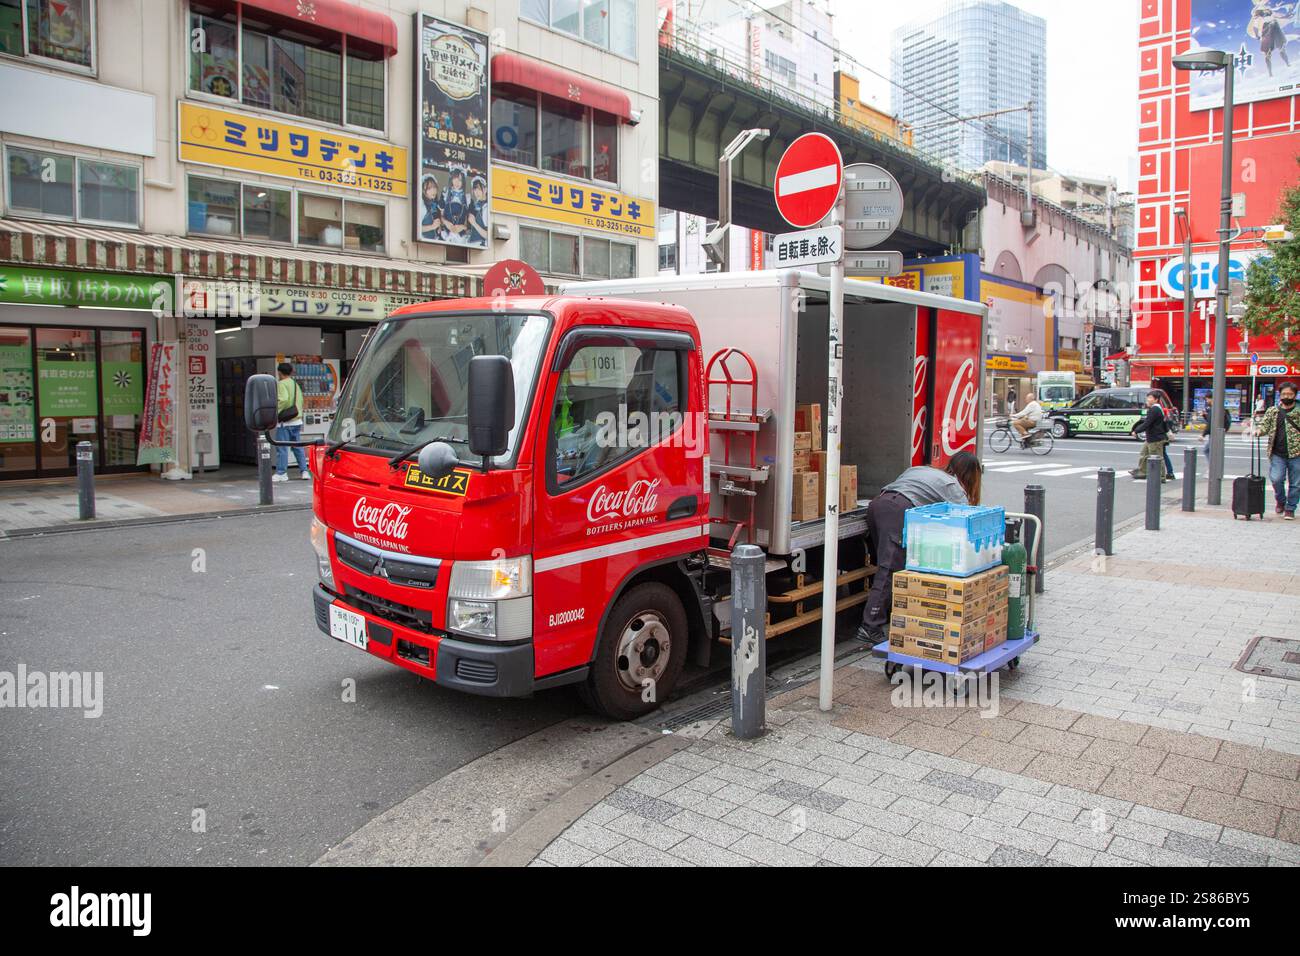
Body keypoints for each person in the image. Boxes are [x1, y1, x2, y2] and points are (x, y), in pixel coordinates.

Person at [856, 451, 984, 645]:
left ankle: (883, 615)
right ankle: (870, 626)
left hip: (877, 505)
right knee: (889, 569)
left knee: (885, 565)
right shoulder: (953, 486)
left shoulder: (924, 470)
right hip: (898, 510)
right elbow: (967, 517)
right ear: (970, 474)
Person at [1256, 380, 1300, 519]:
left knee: (1296, 483)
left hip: (1297, 452)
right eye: (1284, 393)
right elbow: (1265, 427)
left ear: (1295, 395)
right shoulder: (1273, 411)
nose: (1287, 396)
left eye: (1290, 394)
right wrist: (1258, 431)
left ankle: (1290, 508)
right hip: (1277, 453)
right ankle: (1280, 501)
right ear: (1279, 395)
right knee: (1276, 479)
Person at [274, 362, 308, 482]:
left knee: (282, 448)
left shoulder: (281, 384)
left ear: (279, 372)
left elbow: (283, 399)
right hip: (297, 420)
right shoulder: (295, 384)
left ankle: (281, 473)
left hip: (285, 422)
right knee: (297, 447)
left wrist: (275, 411)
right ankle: (304, 471)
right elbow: (301, 400)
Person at [1130, 391, 1170, 481]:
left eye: (1150, 397)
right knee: (1144, 454)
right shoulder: (1157, 409)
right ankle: (1143, 472)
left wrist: (1136, 431)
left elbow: (1147, 423)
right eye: (1148, 397)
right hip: (1151, 437)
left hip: (1155, 438)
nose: (1147, 399)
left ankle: (1161, 476)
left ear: (1156, 400)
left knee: (1157, 457)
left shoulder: (1154, 410)